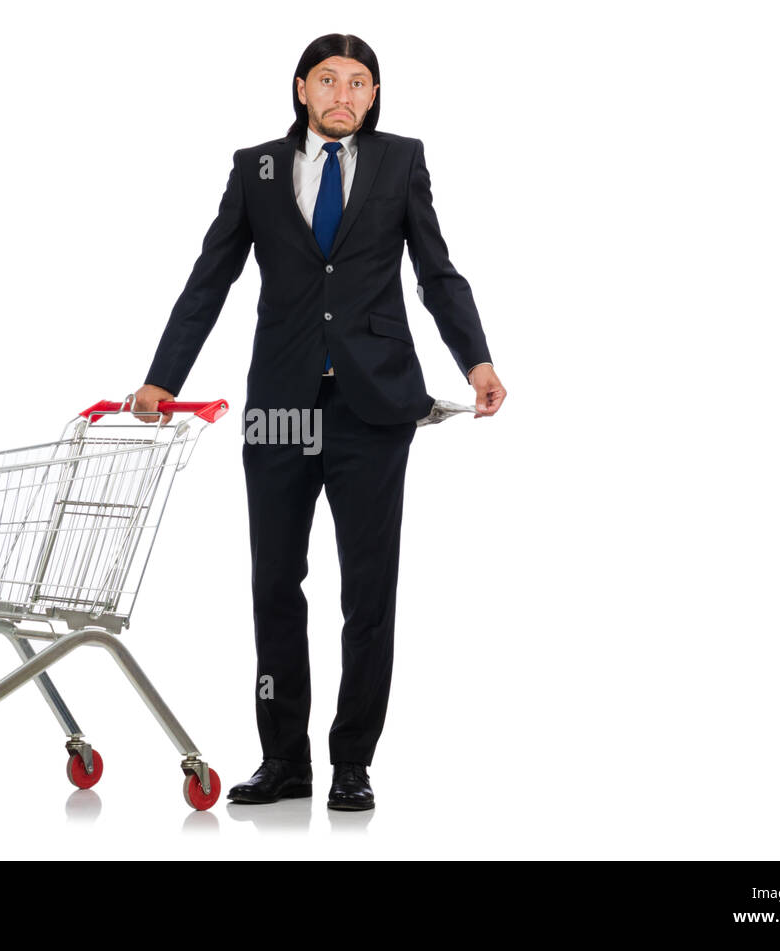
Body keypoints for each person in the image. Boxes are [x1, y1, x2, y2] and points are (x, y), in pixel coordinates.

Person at [134, 33, 506, 811]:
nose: (345, 95)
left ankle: (352, 763)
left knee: (368, 594)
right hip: (279, 405)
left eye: (361, 83)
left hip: (374, 407)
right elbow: (211, 278)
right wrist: (163, 378)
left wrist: (475, 359)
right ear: (301, 87)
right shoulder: (257, 168)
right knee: (275, 583)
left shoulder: (400, 162)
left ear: (375, 95)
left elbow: (438, 271)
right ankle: (284, 759)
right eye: (330, 80)